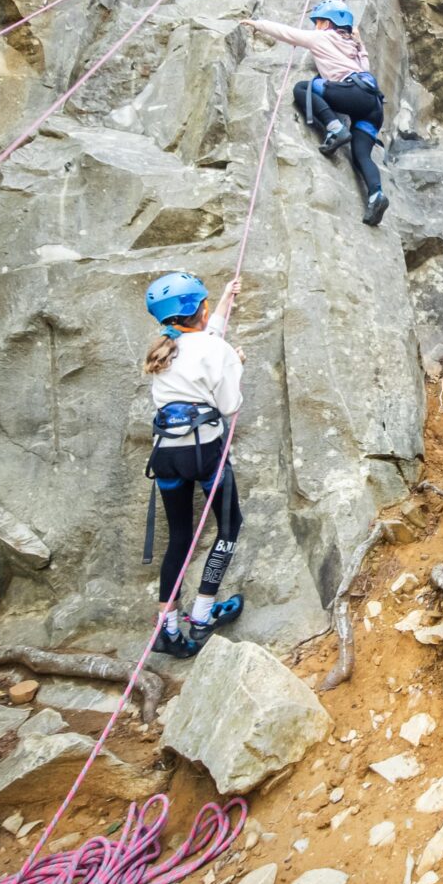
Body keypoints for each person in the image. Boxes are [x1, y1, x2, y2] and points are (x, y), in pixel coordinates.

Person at [142, 271, 246, 658]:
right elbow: (230, 405)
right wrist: (236, 363)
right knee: (229, 526)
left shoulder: (165, 347)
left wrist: (223, 299)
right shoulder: (216, 350)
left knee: (181, 539)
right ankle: (202, 615)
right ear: (197, 309)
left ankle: (166, 629)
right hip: (204, 453)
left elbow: (204, 336)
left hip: (166, 456)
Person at [243, 1, 389, 227]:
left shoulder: (322, 38)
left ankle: (335, 129)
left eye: (319, 21)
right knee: (361, 156)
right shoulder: (353, 45)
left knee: (304, 88)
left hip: (353, 93)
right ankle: (376, 195)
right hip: (374, 106)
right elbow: (365, 68)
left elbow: (289, 34)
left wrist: (257, 24)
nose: (316, 26)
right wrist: (360, 44)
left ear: (328, 23)